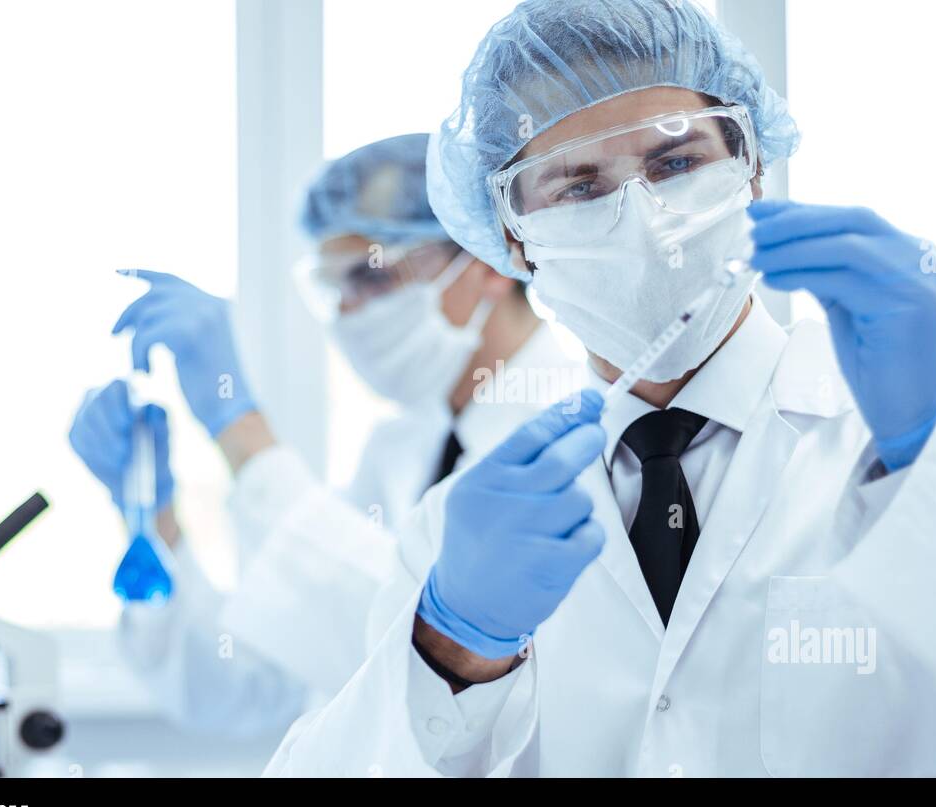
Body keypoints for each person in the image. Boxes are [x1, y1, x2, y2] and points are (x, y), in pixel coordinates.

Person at [265, 0, 936, 777]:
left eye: (672, 163)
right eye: (578, 184)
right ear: (510, 242)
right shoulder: (462, 531)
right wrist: (451, 650)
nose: (639, 214)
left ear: (752, 166)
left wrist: (932, 465)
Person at [68, 133, 580, 736]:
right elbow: (262, 688)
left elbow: (423, 652)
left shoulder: (574, 441)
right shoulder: (400, 448)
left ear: (488, 258)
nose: (348, 312)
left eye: (372, 276)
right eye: (334, 286)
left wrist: (242, 432)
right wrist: (155, 527)